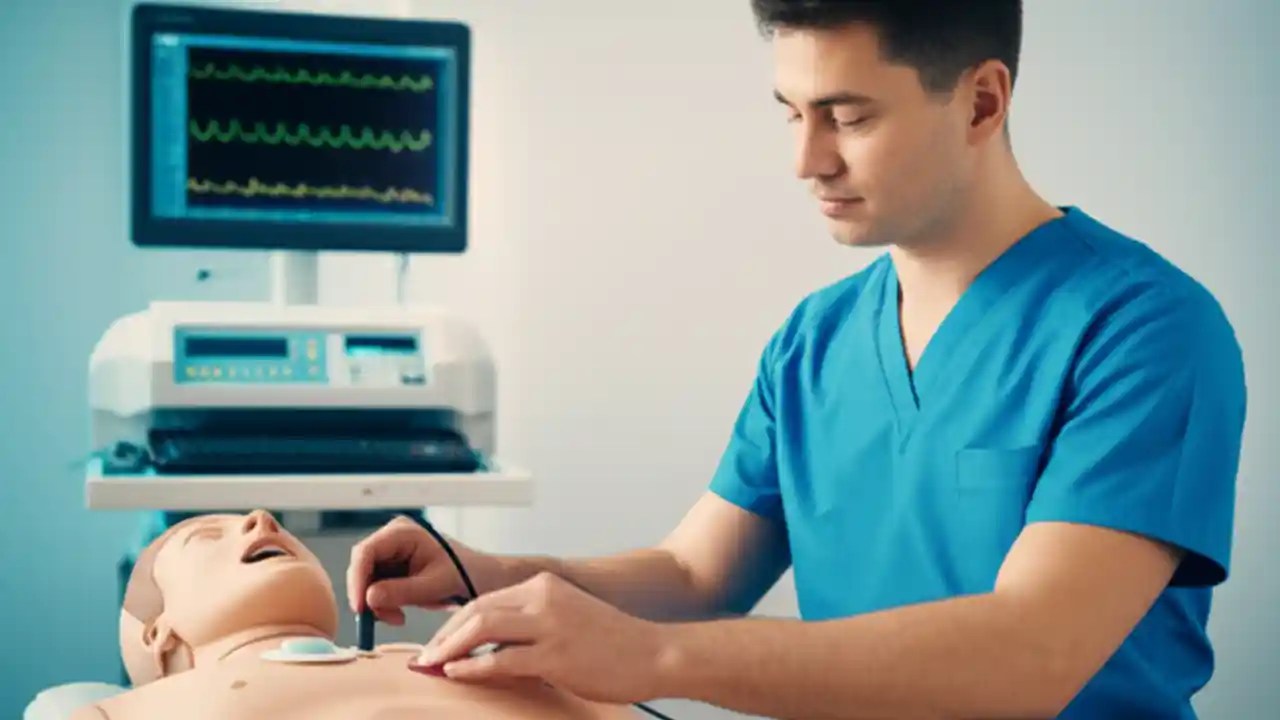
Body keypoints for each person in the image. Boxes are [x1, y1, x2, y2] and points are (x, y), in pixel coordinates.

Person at [347, 2, 1248, 718]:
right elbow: (698, 575)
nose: (806, 160)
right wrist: (494, 574)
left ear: (982, 101)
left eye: (847, 117)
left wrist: (648, 659)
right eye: (791, 113)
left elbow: (1031, 655)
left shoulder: (1146, 330)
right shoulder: (814, 340)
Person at [70, 510, 639, 720]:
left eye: (272, 523)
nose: (262, 520)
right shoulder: (129, 711)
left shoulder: (473, 655)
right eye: (205, 537)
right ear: (158, 637)